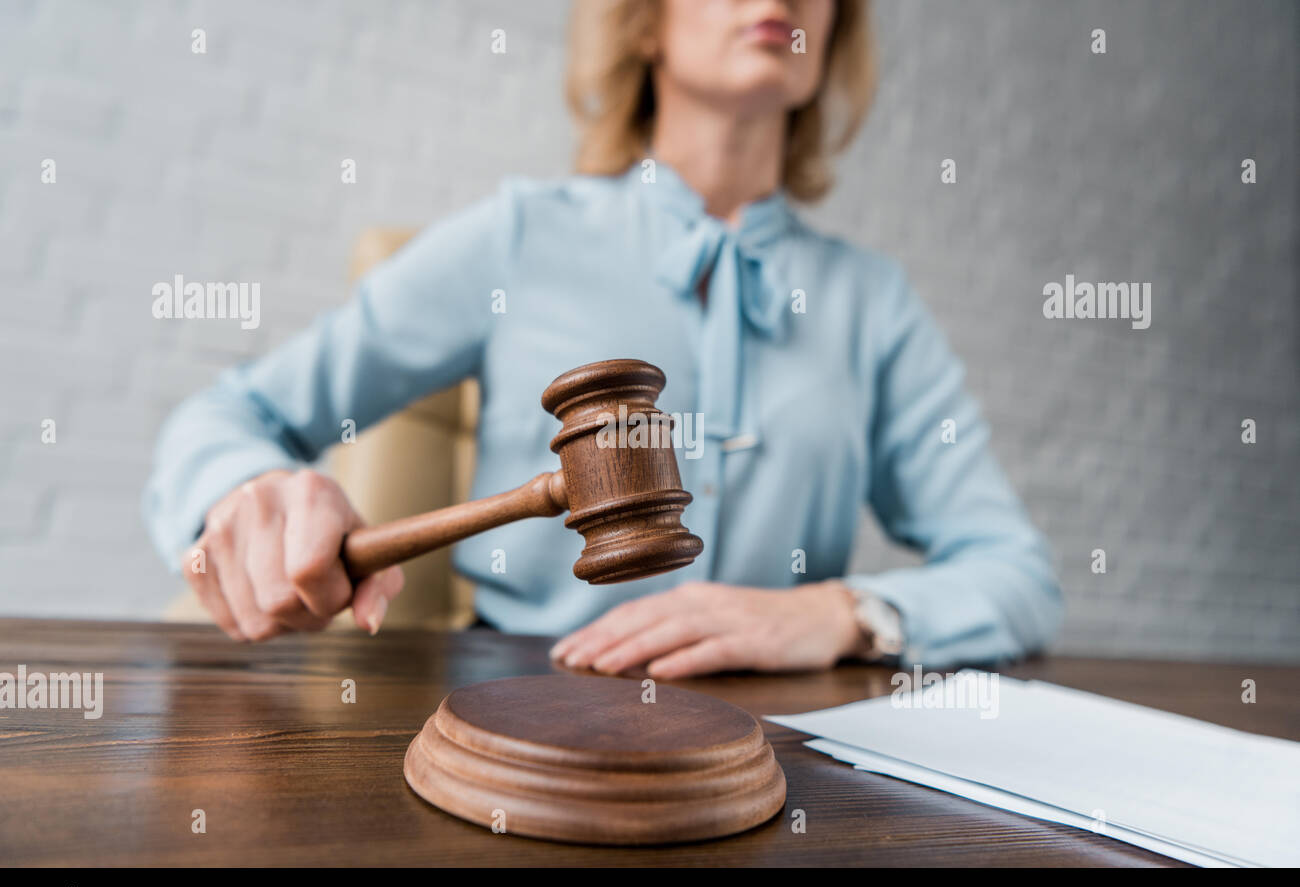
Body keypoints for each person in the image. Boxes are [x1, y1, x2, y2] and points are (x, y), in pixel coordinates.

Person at [143, 0, 1062, 677]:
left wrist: (844, 611)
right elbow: (230, 413)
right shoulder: (521, 237)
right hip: (521, 723)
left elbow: (1016, 574)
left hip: (783, 757)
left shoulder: (874, 303)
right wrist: (249, 494)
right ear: (644, 23)